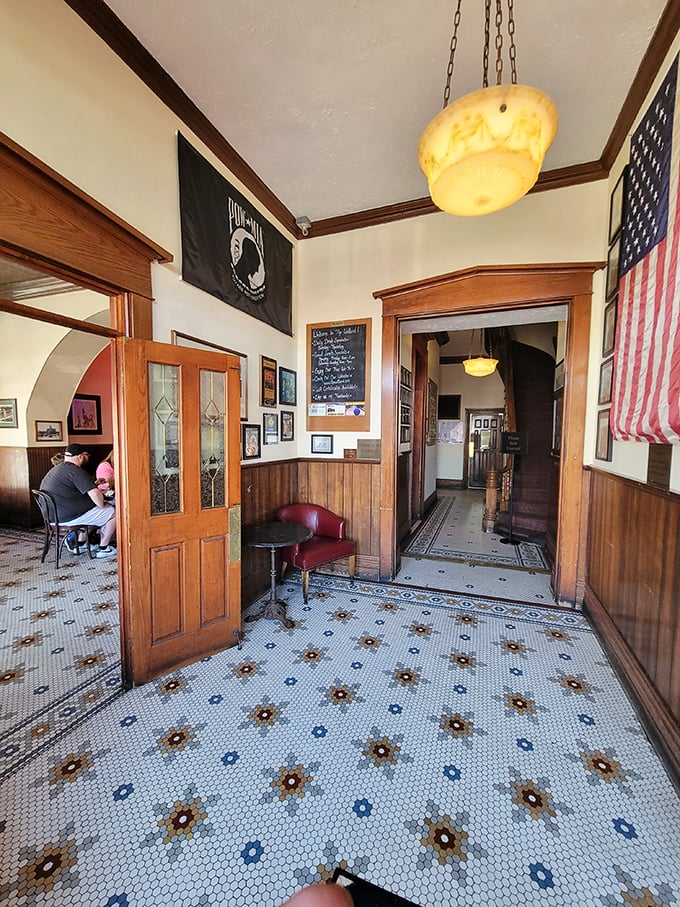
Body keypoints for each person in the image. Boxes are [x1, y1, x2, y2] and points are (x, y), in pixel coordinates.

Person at [39, 443, 117, 558]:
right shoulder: (75, 471)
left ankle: (80, 544)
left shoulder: (57, 469)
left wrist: (94, 485)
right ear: (81, 456)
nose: (88, 458)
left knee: (93, 513)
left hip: (52, 516)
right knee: (113, 512)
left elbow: (73, 490)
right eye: (87, 455)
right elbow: (96, 497)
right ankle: (104, 548)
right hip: (68, 516)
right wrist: (102, 503)